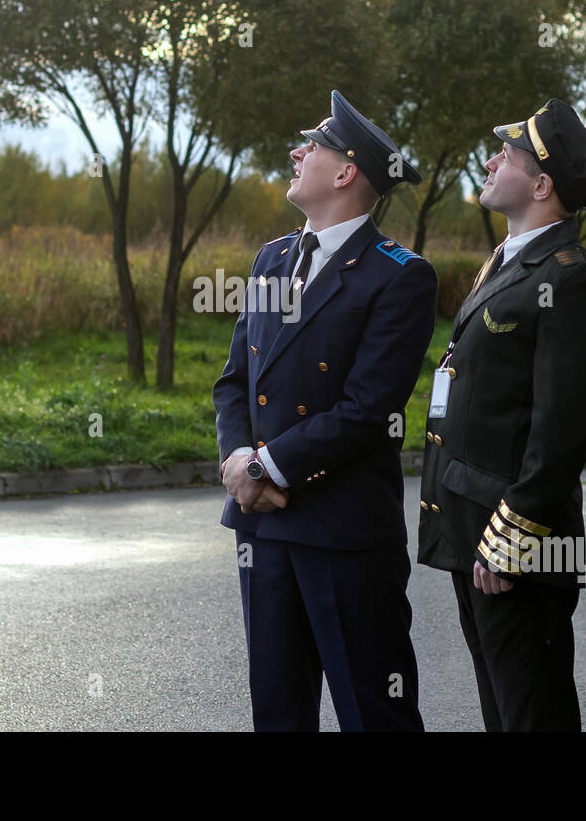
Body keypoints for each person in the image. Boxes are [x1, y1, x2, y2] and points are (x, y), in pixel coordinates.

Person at [213, 90, 438, 731]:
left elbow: (368, 410)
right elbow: (233, 383)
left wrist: (267, 468)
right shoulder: (272, 259)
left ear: (345, 172)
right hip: (263, 530)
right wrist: (237, 462)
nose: (295, 151)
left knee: (376, 716)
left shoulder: (399, 275)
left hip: (343, 535)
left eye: (311, 143)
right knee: (279, 716)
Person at [417, 98, 586, 731]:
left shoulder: (572, 278)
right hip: (477, 531)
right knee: (503, 714)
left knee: (534, 714)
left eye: (507, 154)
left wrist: (510, 542)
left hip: (517, 548)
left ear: (541, 184)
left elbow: (560, 432)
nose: (490, 159)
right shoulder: (507, 260)